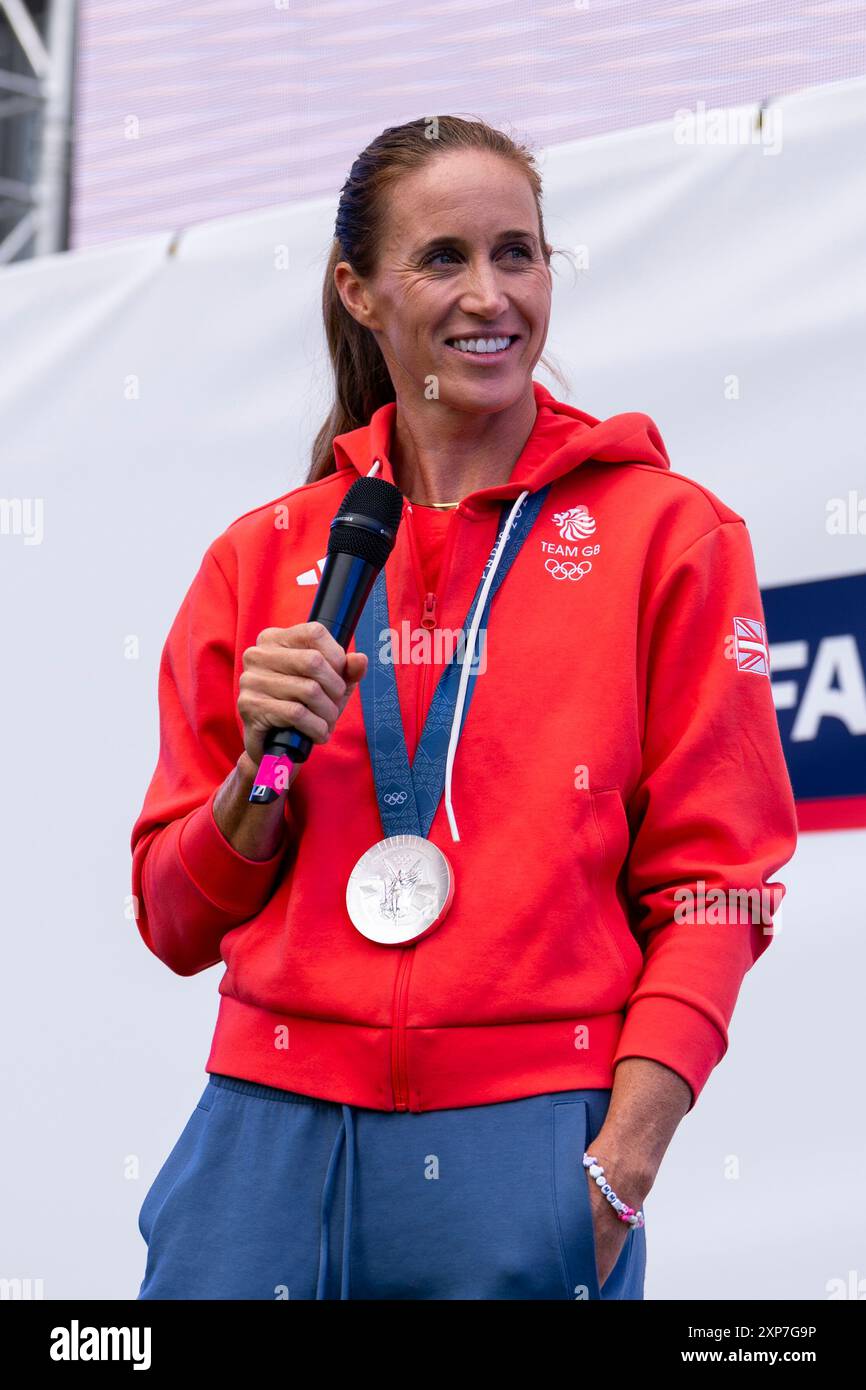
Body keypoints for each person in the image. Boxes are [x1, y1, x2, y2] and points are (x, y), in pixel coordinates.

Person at [129, 115, 798, 1301]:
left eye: (517, 253)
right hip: (262, 1137)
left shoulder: (664, 534)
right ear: (359, 292)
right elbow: (175, 919)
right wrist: (257, 776)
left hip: (525, 1138)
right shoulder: (264, 554)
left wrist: (616, 1169)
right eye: (442, 257)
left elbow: (714, 885)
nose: (489, 295)